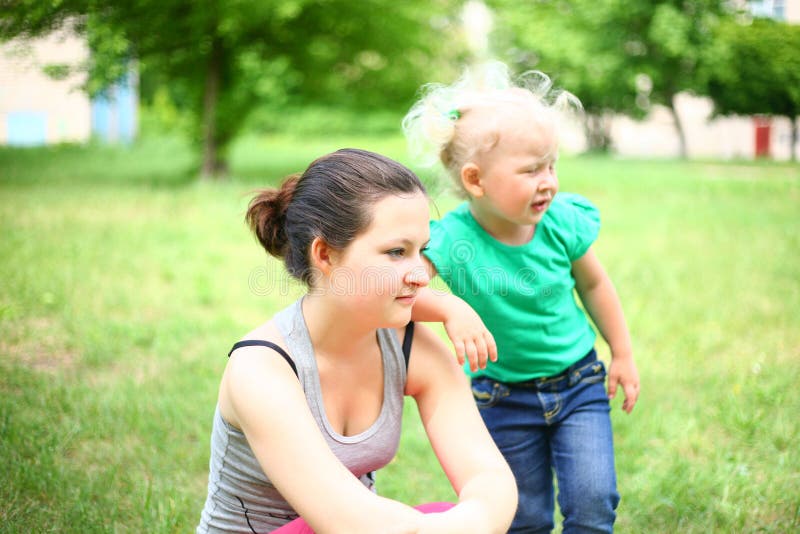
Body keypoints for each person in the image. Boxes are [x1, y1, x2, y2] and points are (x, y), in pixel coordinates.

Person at [196, 148, 517, 534]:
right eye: (396, 252)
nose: (420, 273)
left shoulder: (410, 348)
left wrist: (474, 520)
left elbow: (489, 479)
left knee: (445, 512)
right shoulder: (262, 368)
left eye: (422, 251)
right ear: (325, 255)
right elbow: (345, 519)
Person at [402, 62, 641, 533]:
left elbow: (594, 284)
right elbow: (404, 289)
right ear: (476, 181)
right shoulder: (452, 239)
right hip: (501, 397)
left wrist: (623, 352)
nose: (548, 181)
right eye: (531, 170)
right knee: (521, 515)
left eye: (551, 165)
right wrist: (450, 308)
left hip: (578, 384)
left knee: (594, 503)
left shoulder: (560, 222)